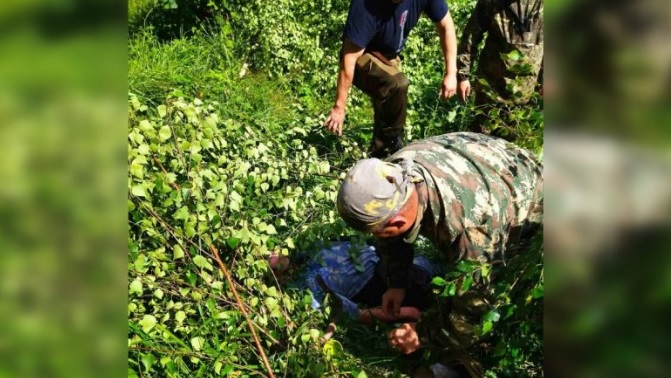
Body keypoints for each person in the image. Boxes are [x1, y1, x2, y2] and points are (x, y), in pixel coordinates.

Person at [336, 132, 543, 376]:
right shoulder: (394, 174)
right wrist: (397, 283)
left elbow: (474, 305)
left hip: (535, 199)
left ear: (397, 222)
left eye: (379, 231)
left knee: (502, 295)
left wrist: (422, 334)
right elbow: (394, 237)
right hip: (490, 165)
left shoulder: (471, 229)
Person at [324, 0, 459, 158]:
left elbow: (446, 26)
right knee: (397, 84)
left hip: (389, 56)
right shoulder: (364, 6)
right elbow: (349, 59)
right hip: (362, 56)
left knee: (388, 109)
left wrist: (451, 72)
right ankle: (391, 145)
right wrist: (339, 107)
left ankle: (378, 156)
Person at [269, 240, 443, 324]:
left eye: (268, 249)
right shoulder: (303, 291)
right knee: (435, 291)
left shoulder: (304, 245)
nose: (271, 254)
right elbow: (353, 313)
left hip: (395, 260)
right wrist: (408, 313)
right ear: (275, 278)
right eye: (266, 259)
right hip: (380, 286)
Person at [456, 0, 543, 138]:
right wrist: (463, 76)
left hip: (527, 99)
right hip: (491, 93)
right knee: (480, 145)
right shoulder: (492, 2)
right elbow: (471, 36)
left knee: (515, 152)